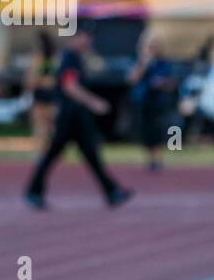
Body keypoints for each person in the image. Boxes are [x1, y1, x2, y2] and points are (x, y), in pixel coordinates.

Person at [24, 26, 133, 209]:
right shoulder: (69, 57)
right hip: (70, 115)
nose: (88, 42)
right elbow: (70, 86)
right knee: (55, 154)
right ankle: (33, 191)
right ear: (76, 38)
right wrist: (94, 103)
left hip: (75, 115)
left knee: (91, 155)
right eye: (86, 37)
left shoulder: (75, 57)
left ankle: (112, 191)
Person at [127, 33, 177, 172]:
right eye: (149, 45)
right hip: (142, 101)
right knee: (144, 130)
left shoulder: (164, 62)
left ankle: (157, 158)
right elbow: (132, 79)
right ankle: (148, 158)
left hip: (158, 102)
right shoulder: (138, 61)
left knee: (158, 129)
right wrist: (144, 63)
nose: (152, 48)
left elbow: (171, 82)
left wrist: (162, 83)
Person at [25, 30, 57, 154]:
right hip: (51, 94)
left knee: (40, 126)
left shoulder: (38, 59)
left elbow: (33, 79)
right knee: (51, 125)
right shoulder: (54, 58)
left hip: (41, 94)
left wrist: (29, 86)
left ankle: (42, 151)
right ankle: (51, 150)